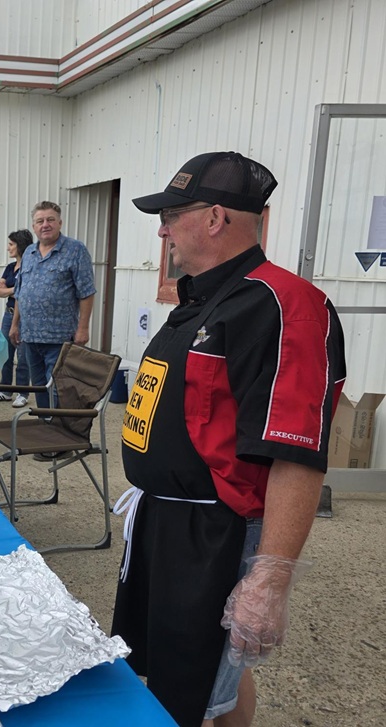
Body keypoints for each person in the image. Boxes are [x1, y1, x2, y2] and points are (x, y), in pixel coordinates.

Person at [111, 151, 346, 727]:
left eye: (172, 213)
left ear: (216, 217)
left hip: (216, 532)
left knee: (188, 695)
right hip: (166, 522)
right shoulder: (203, 295)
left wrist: (269, 578)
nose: (163, 228)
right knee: (203, 679)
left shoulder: (282, 304)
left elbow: (297, 453)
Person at [9, 201, 96, 412]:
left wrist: (82, 328)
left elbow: (87, 291)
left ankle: (61, 436)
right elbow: (21, 292)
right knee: (39, 389)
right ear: (34, 226)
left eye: (50, 220)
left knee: (58, 390)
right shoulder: (29, 252)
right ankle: (45, 431)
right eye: (40, 221)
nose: (45, 225)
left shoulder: (75, 250)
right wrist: (15, 325)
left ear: (60, 223)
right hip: (30, 338)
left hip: (59, 338)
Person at [0, 229, 33, 408]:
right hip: (9, 313)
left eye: (11, 244)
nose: (8, 248)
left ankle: (22, 393)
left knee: (23, 357)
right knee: (4, 352)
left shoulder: (29, 267)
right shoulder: (10, 267)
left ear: (20, 246)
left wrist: (13, 289)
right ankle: (5, 390)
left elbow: (26, 291)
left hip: (24, 317)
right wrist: (16, 289)